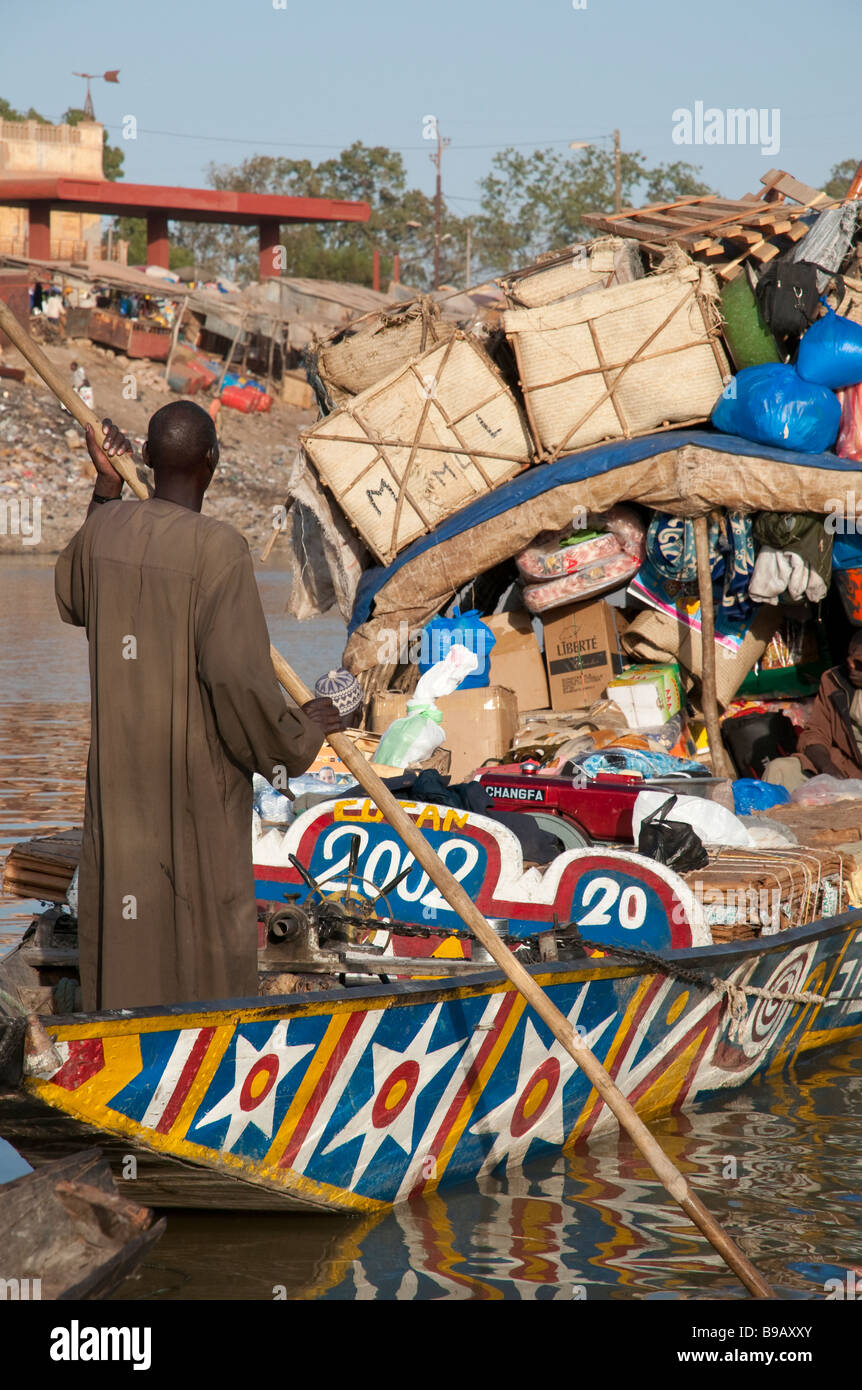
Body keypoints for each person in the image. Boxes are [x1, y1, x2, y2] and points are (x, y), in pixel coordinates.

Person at [55, 401, 341, 1012]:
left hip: (119, 785)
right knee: (200, 923)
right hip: (194, 787)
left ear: (150, 461)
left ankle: (115, 1024)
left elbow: (74, 595)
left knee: (127, 915)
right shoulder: (220, 550)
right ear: (211, 462)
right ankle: (198, 1044)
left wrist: (106, 489)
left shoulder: (105, 530)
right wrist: (299, 731)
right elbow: (239, 684)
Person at [764, 630, 862, 790]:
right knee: (780, 769)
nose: (851, 667)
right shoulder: (834, 680)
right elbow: (815, 733)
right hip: (847, 768)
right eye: (849, 659)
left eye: (859, 664)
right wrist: (828, 769)